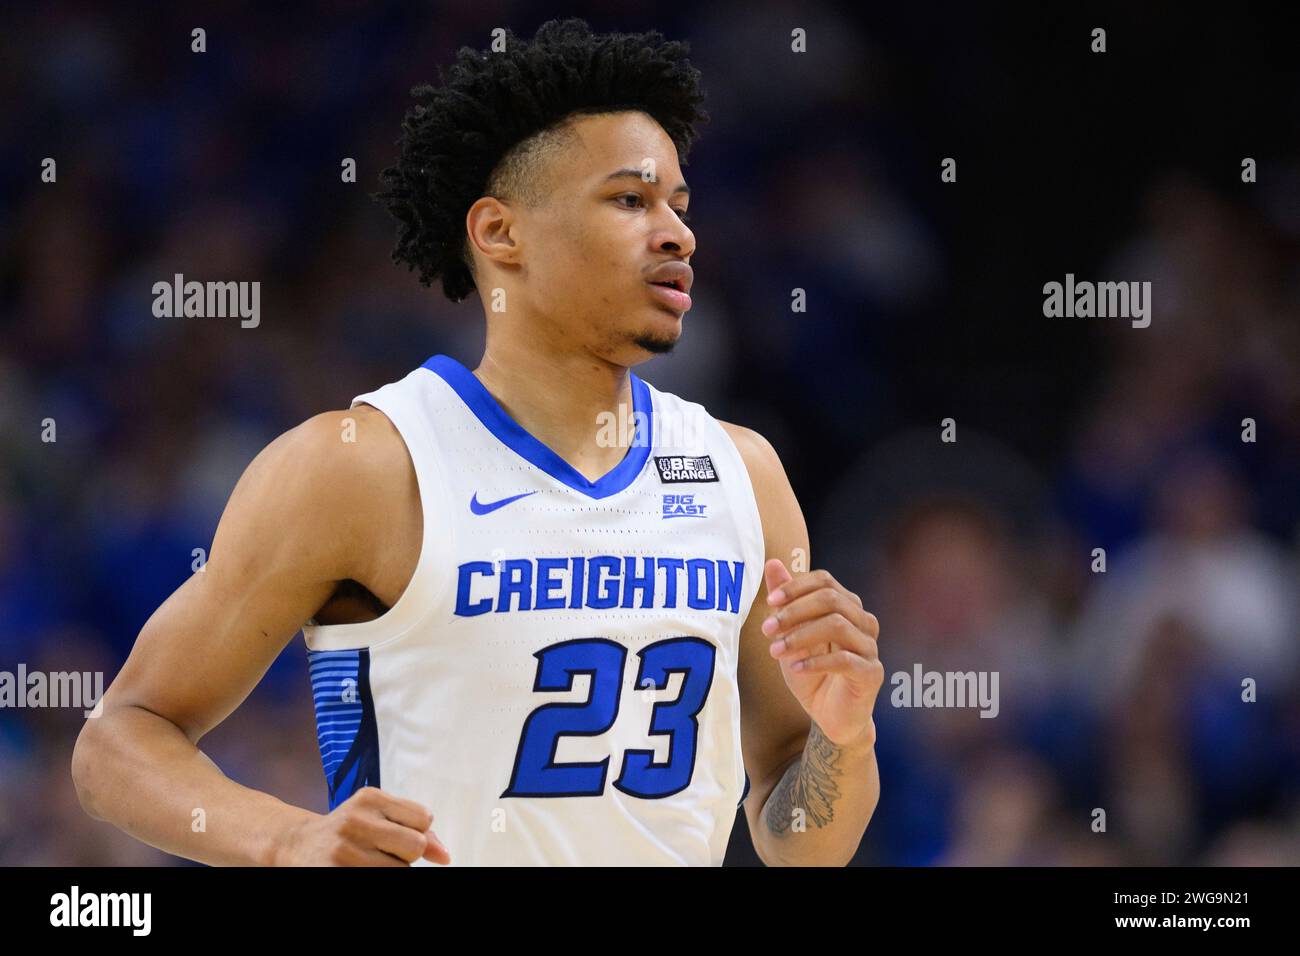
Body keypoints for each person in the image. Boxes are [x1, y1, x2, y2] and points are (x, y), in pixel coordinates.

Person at [71, 17, 883, 866]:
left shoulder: (740, 475)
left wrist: (844, 737)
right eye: (630, 200)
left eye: (679, 206)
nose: (678, 234)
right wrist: (287, 840)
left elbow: (799, 844)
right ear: (500, 233)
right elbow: (118, 742)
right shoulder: (363, 465)